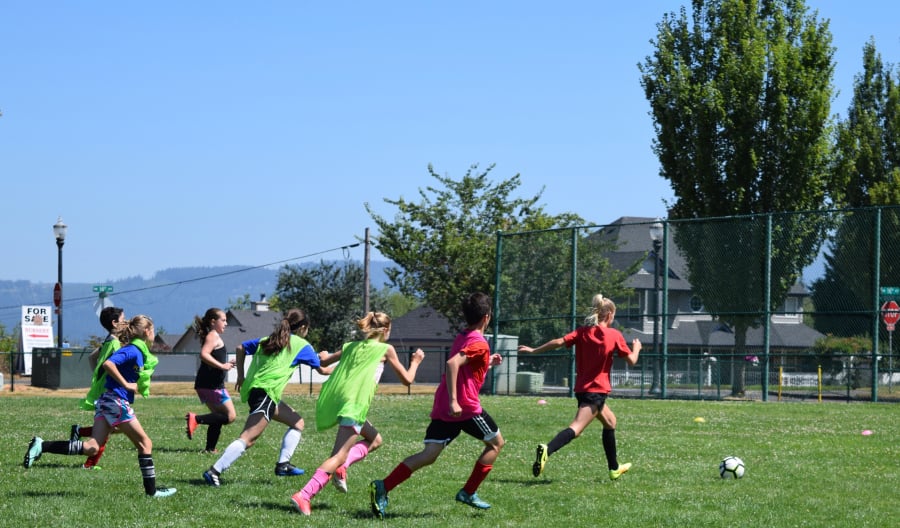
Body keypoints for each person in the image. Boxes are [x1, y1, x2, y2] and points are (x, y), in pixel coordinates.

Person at [369, 292, 504, 518]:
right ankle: (468, 492)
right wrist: (454, 401)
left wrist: (487, 363)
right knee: (496, 445)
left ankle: (383, 486)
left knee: (429, 454)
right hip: (464, 407)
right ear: (487, 317)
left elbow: (465, 368)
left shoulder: (463, 336)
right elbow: (453, 364)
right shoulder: (479, 342)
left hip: (444, 404)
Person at [24, 315, 177, 498]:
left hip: (107, 401)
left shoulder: (138, 350)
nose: (154, 335)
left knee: (92, 448)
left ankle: (42, 445)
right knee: (146, 444)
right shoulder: (133, 350)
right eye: (154, 331)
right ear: (147, 331)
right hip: (115, 401)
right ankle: (152, 492)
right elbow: (108, 364)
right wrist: (126, 385)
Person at [290, 312, 425, 516]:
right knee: (337, 455)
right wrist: (416, 361)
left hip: (341, 401)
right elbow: (407, 379)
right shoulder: (386, 349)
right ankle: (304, 495)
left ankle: (341, 467)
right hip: (354, 404)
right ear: (385, 330)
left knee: (375, 439)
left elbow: (324, 364)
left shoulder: (350, 346)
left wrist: (324, 356)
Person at [518, 293, 641, 481]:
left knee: (610, 422)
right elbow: (632, 360)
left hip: (584, 389)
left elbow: (559, 342)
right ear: (609, 315)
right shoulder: (614, 335)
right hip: (596, 392)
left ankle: (614, 468)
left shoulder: (583, 332)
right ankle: (547, 450)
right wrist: (637, 348)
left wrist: (534, 350)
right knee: (576, 428)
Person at [202, 308, 332, 486]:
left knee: (297, 422)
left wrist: (241, 376)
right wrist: (332, 360)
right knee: (248, 439)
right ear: (303, 328)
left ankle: (283, 465)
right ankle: (214, 471)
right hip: (266, 394)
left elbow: (240, 348)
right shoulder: (302, 345)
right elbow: (323, 369)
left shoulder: (270, 339)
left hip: (260, 392)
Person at [67, 306, 125, 470]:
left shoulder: (108, 340)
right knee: (113, 429)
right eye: (124, 319)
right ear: (115, 323)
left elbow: (92, 357)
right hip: (109, 393)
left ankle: (81, 433)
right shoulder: (115, 344)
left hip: (104, 391)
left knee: (112, 427)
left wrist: (98, 376)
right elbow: (112, 366)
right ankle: (89, 464)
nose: (126, 323)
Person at [185, 308, 237, 453]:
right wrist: (222, 366)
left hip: (206, 383)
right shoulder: (213, 336)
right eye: (223, 320)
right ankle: (196, 419)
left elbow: (211, 356)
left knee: (218, 417)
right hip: (211, 385)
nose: (226, 323)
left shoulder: (213, 336)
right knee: (230, 416)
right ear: (213, 322)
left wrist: (227, 364)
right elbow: (204, 354)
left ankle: (210, 448)